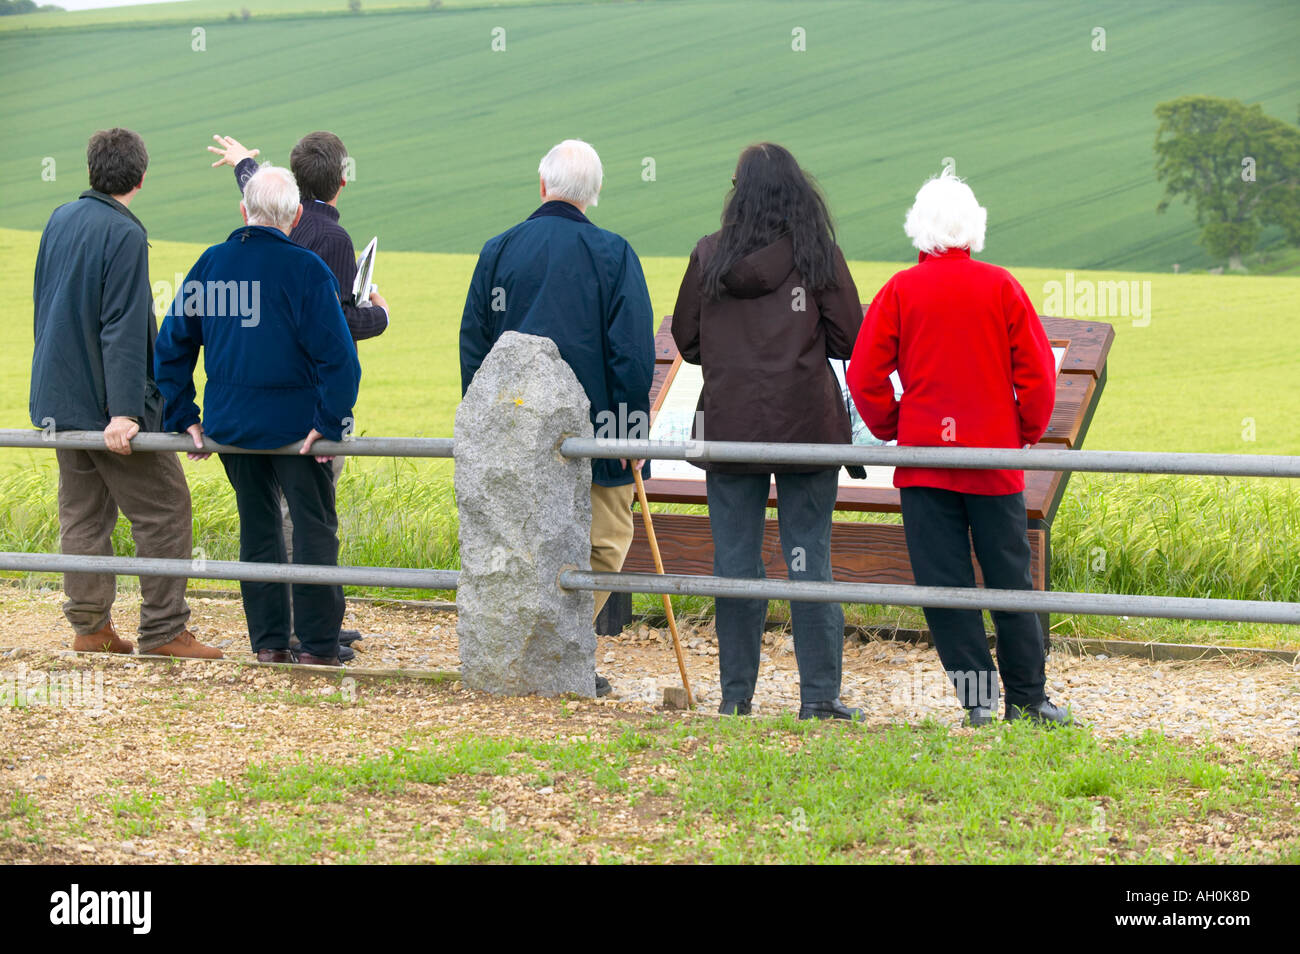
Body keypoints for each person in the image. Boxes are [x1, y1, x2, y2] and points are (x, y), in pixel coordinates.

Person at [846, 170, 1071, 726]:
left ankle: (977, 702)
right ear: (974, 228)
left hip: (925, 465)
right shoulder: (1002, 287)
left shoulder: (899, 290)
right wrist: (1022, 431)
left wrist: (894, 425)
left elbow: (865, 375)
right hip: (993, 463)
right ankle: (1029, 699)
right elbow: (1040, 378)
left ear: (918, 230)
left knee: (945, 588)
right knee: (1010, 583)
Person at [671, 143, 864, 720]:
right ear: (797, 192)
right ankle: (820, 698)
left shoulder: (710, 256)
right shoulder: (816, 255)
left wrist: (734, 358)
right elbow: (851, 337)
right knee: (810, 560)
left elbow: (687, 340)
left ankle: (736, 698)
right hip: (807, 427)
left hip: (729, 427)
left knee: (735, 564)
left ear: (738, 194)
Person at [459, 139, 655, 698]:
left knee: (515, 544)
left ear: (542, 185)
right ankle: (557, 651)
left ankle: (529, 651)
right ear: (592, 195)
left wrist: (484, 420)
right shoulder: (614, 254)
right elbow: (632, 354)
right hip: (594, 436)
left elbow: (475, 341)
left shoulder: (498, 251)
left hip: (509, 435)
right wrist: (628, 428)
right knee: (606, 544)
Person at [154, 165, 361, 667]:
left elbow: (171, 347)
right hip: (296, 432)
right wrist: (329, 424)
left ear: (244, 211)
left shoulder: (209, 265)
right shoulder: (308, 270)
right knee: (314, 528)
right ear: (293, 217)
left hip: (230, 428)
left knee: (258, 527)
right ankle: (315, 647)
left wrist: (186, 416)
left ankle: (269, 643)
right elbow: (340, 360)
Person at [30, 127, 222, 660]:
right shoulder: (124, 233)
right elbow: (120, 325)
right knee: (165, 508)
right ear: (141, 176)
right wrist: (125, 412)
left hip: (59, 401)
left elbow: (50, 307)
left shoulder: (60, 218)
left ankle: (90, 628)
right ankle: (164, 632)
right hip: (104, 406)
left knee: (83, 515)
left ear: (93, 169)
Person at [208, 131, 386, 658]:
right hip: (308, 408)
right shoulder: (331, 240)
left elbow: (258, 195)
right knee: (310, 521)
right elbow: (337, 327)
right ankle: (309, 632)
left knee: (268, 521)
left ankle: (292, 629)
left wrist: (245, 162)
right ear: (342, 181)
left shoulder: (266, 216)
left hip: (246, 407)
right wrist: (380, 313)